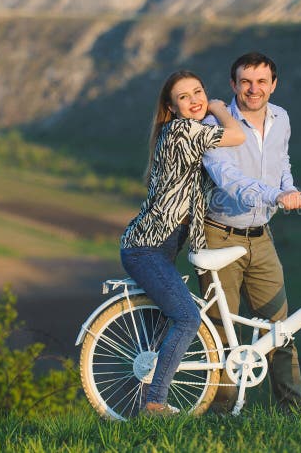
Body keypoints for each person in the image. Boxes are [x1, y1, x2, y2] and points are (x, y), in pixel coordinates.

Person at [120, 70, 245, 417]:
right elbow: (236, 136)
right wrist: (220, 108)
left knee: (160, 334)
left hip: (156, 250)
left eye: (199, 92)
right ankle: (155, 404)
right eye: (184, 97)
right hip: (145, 249)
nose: (195, 100)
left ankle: (141, 406)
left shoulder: (181, 131)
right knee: (188, 320)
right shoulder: (182, 130)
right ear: (172, 108)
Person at [200, 52, 301, 413]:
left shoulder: (282, 119)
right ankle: (221, 415)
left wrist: (290, 188)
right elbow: (230, 180)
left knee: (280, 327)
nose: (254, 89)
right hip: (219, 234)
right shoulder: (215, 123)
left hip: (261, 237)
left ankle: (295, 413)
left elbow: (282, 163)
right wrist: (276, 195)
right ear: (233, 85)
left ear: (273, 85)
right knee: (220, 332)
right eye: (246, 81)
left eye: (262, 82)